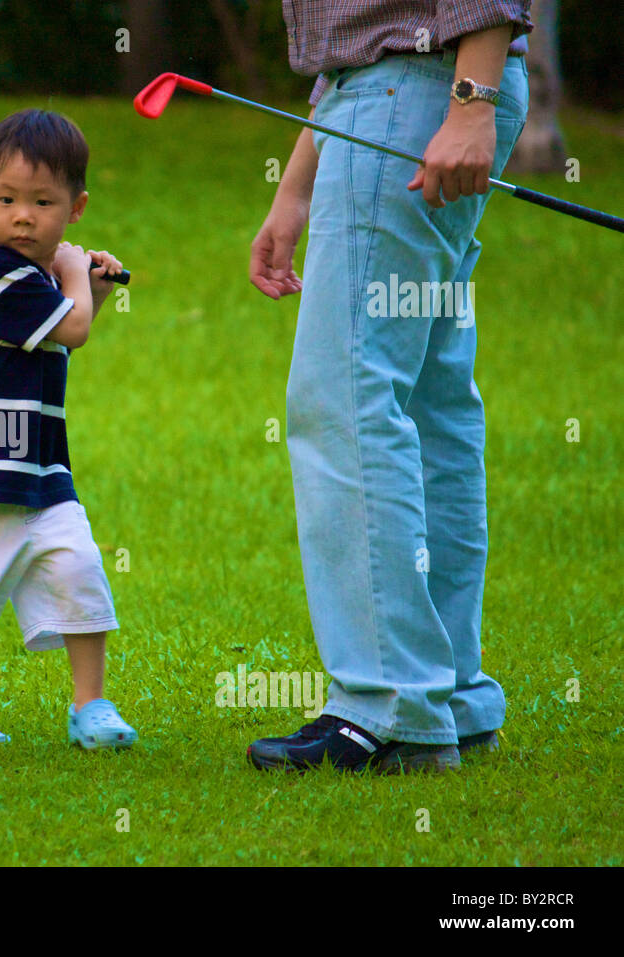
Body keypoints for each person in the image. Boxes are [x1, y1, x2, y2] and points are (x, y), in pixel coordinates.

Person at [247, 2, 533, 773]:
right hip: (397, 103)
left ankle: (391, 703)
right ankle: (447, 696)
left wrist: (468, 105)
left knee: (347, 396)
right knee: (427, 406)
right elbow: (364, 38)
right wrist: (299, 182)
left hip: (420, 103)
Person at [0, 108, 136, 750]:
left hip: (39, 474)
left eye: (44, 202)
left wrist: (93, 285)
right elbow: (72, 327)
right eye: (6, 199)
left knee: (80, 570)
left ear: (76, 207)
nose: (23, 217)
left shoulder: (36, 280)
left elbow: (69, 330)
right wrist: (73, 276)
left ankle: (90, 705)